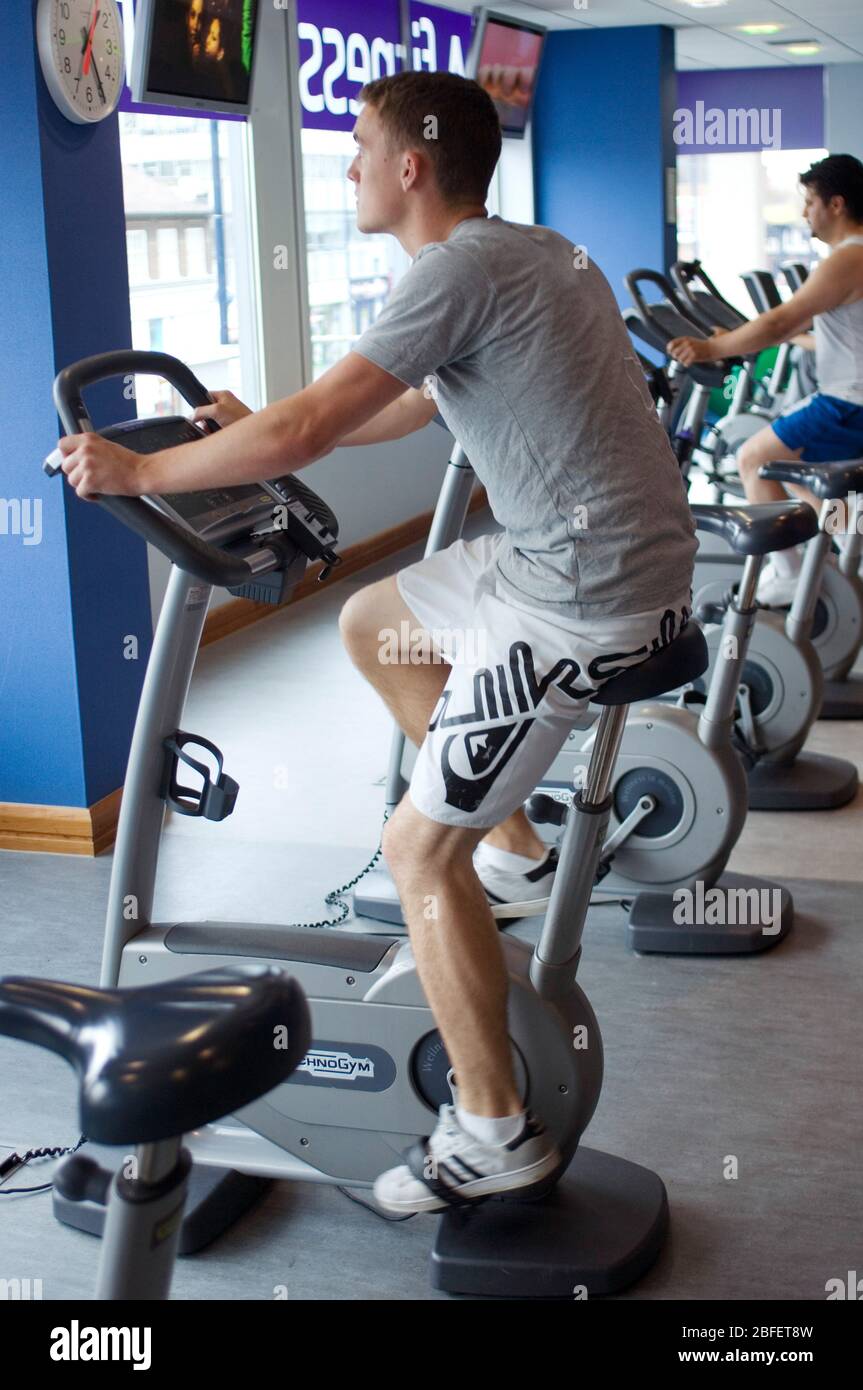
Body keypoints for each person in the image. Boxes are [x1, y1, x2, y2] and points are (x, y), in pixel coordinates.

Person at [57, 72, 697, 1214]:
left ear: (410, 166)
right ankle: (513, 845)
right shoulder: (524, 251)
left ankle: (494, 1129)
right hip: (576, 555)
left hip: (579, 594)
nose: (347, 165)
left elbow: (310, 429)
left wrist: (142, 469)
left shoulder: (458, 265)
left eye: (357, 147)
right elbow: (406, 403)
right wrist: (255, 416)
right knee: (375, 619)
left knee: (412, 853)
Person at [668, 154, 863, 605]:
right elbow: (835, 336)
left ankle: (790, 573)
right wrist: (761, 340)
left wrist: (712, 348)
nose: (803, 213)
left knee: (754, 459)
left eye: (809, 202)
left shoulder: (845, 259)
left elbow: (779, 323)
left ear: (835, 204)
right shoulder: (852, 258)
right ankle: (841, 546)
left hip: (848, 403)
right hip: (850, 398)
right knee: (795, 475)